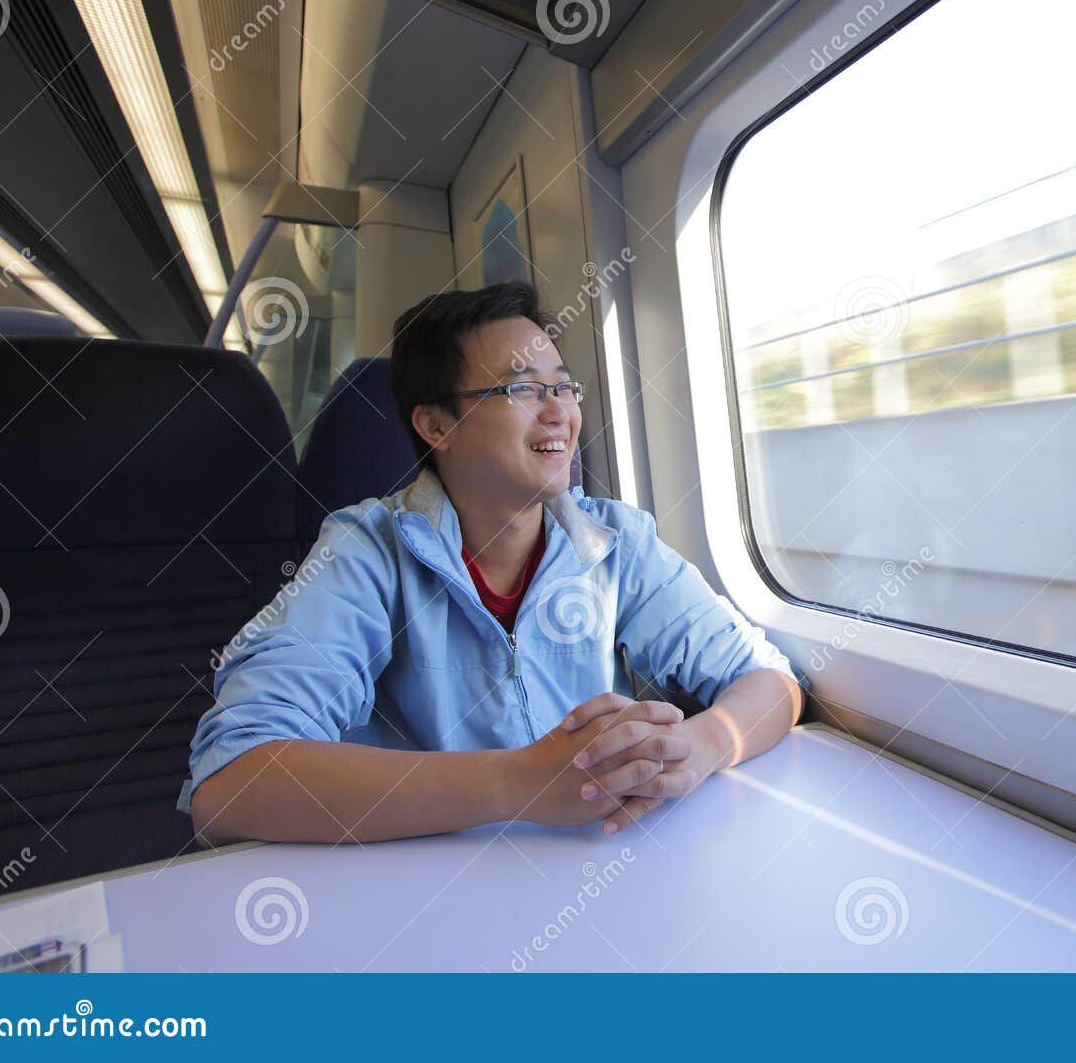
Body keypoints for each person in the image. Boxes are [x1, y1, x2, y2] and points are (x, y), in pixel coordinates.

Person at [182, 282, 805, 845]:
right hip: (421, 885)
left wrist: (697, 747)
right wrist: (519, 783)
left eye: (563, 386)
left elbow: (770, 681)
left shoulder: (616, 541)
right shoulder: (367, 554)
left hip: (588, 864)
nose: (559, 411)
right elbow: (232, 780)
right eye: (521, 389)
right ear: (436, 425)